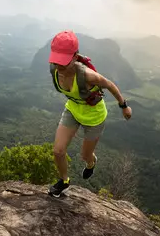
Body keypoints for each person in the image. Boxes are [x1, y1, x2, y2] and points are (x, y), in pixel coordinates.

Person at [47, 30, 132, 197]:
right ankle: (64, 181)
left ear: (75, 57)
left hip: (94, 117)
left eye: (63, 62)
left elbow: (109, 85)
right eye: (57, 61)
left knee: (85, 155)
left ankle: (91, 163)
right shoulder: (54, 70)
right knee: (58, 150)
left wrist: (124, 106)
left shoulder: (88, 76)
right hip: (73, 109)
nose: (59, 66)